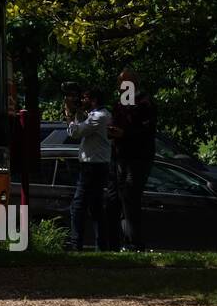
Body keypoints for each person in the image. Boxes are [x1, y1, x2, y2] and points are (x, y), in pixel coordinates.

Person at [111, 68, 156, 251]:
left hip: (138, 157)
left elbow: (146, 130)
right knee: (123, 198)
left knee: (130, 196)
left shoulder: (145, 103)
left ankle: (135, 243)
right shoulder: (122, 103)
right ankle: (128, 241)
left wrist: (125, 133)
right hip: (122, 156)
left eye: (124, 82)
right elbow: (121, 121)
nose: (121, 86)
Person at [65, 86, 114, 251]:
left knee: (78, 206)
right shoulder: (102, 114)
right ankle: (102, 246)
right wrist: (79, 112)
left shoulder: (98, 117)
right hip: (98, 165)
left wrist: (69, 115)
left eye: (85, 98)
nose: (81, 100)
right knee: (96, 208)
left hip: (92, 166)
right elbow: (83, 124)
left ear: (94, 100)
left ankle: (76, 244)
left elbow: (75, 132)